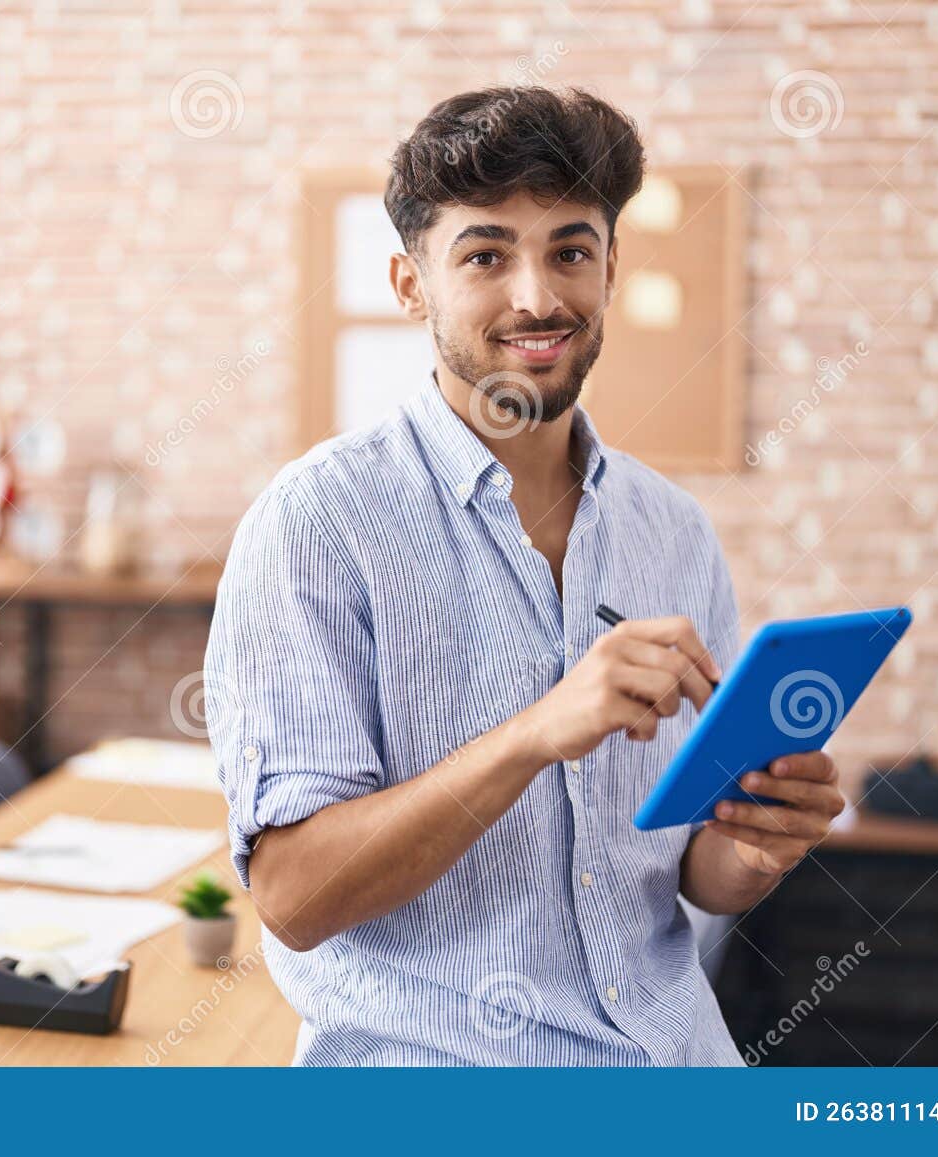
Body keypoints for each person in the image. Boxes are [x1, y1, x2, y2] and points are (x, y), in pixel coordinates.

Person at [204, 85, 845, 1065]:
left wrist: (754, 847)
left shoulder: (672, 532)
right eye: (486, 254)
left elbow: (686, 873)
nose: (539, 296)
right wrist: (535, 733)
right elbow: (294, 897)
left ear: (610, 268)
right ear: (410, 283)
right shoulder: (315, 524)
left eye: (570, 251)